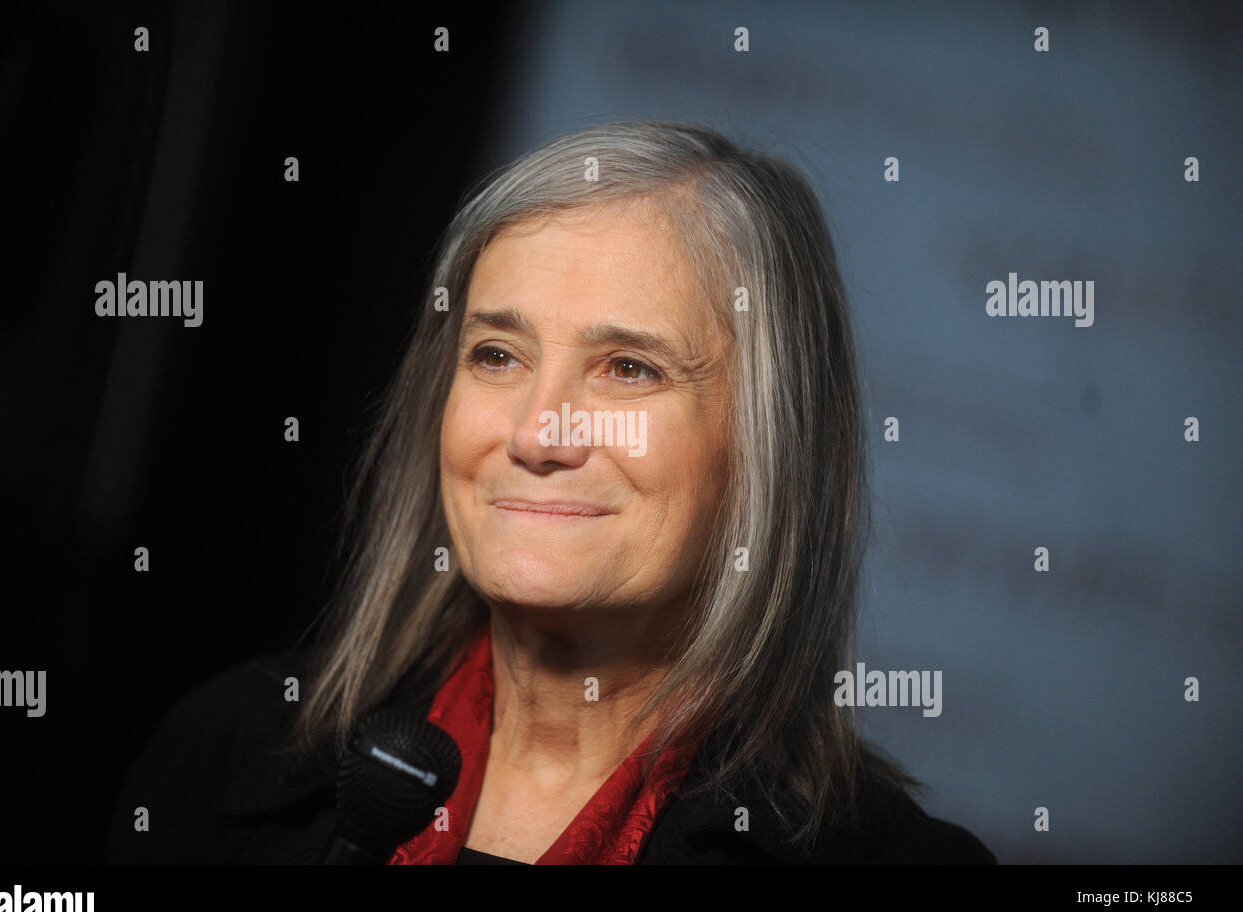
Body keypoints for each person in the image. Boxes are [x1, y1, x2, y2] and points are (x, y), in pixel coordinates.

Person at [108, 119, 995, 865]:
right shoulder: (227, 750)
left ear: (772, 444)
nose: (537, 435)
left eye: (628, 369)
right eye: (497, 355)